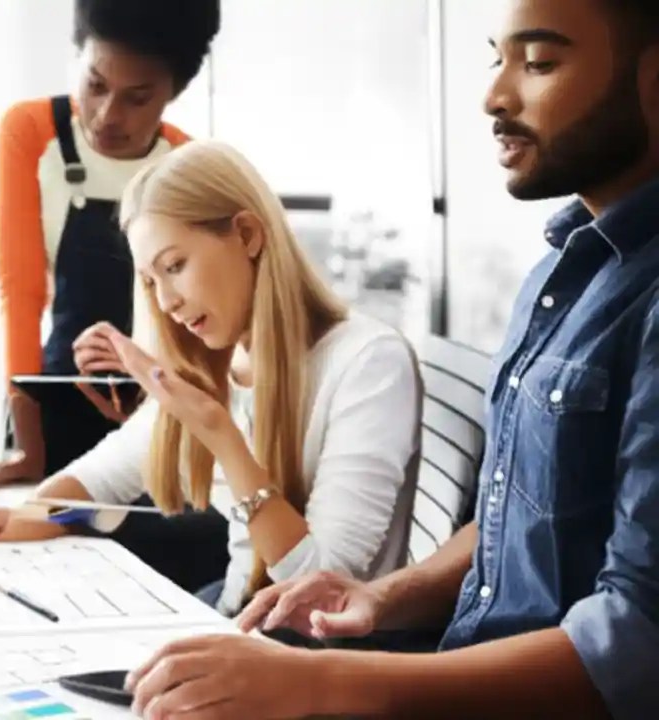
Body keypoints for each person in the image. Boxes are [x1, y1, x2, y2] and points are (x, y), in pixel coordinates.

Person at [125, 1, 659, 718]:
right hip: (447, 659)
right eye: (495, 59)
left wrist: (317, 682)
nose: (494, 95)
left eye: (539, 63)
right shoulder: (561, 274)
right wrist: (380, 599)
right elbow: (516, 511)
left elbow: (636, 644)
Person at [0, 140, 422, 616]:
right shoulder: (222, 359)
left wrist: (219, 433)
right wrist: (17, 518)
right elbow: (98, 480)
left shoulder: (367, 362)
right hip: (233, 617)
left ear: (249, 235)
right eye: (152, 280)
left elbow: (321, 585)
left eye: (175, 266)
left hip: (305, 656)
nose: (166, 302)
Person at [0, 0, 221, 486]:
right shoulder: (31, 133)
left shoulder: (188, 163)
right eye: (95, 85)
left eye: (137, 98)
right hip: (52, 402)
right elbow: (21, 292)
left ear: (175, 91)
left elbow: (202, 328)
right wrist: (28, 448)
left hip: (156, 411)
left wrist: (156, 391)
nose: (107, 115)